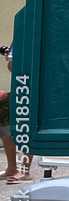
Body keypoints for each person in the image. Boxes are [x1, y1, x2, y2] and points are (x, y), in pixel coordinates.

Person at [1, 45, 32, 183]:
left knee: (26, 129)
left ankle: (25, 172)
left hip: (29, 88)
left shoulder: (36, 37)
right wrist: (11, 57)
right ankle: (12, 169)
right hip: (13, 90)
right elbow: (12, 68)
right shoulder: (19, 39)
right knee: (6, 131)